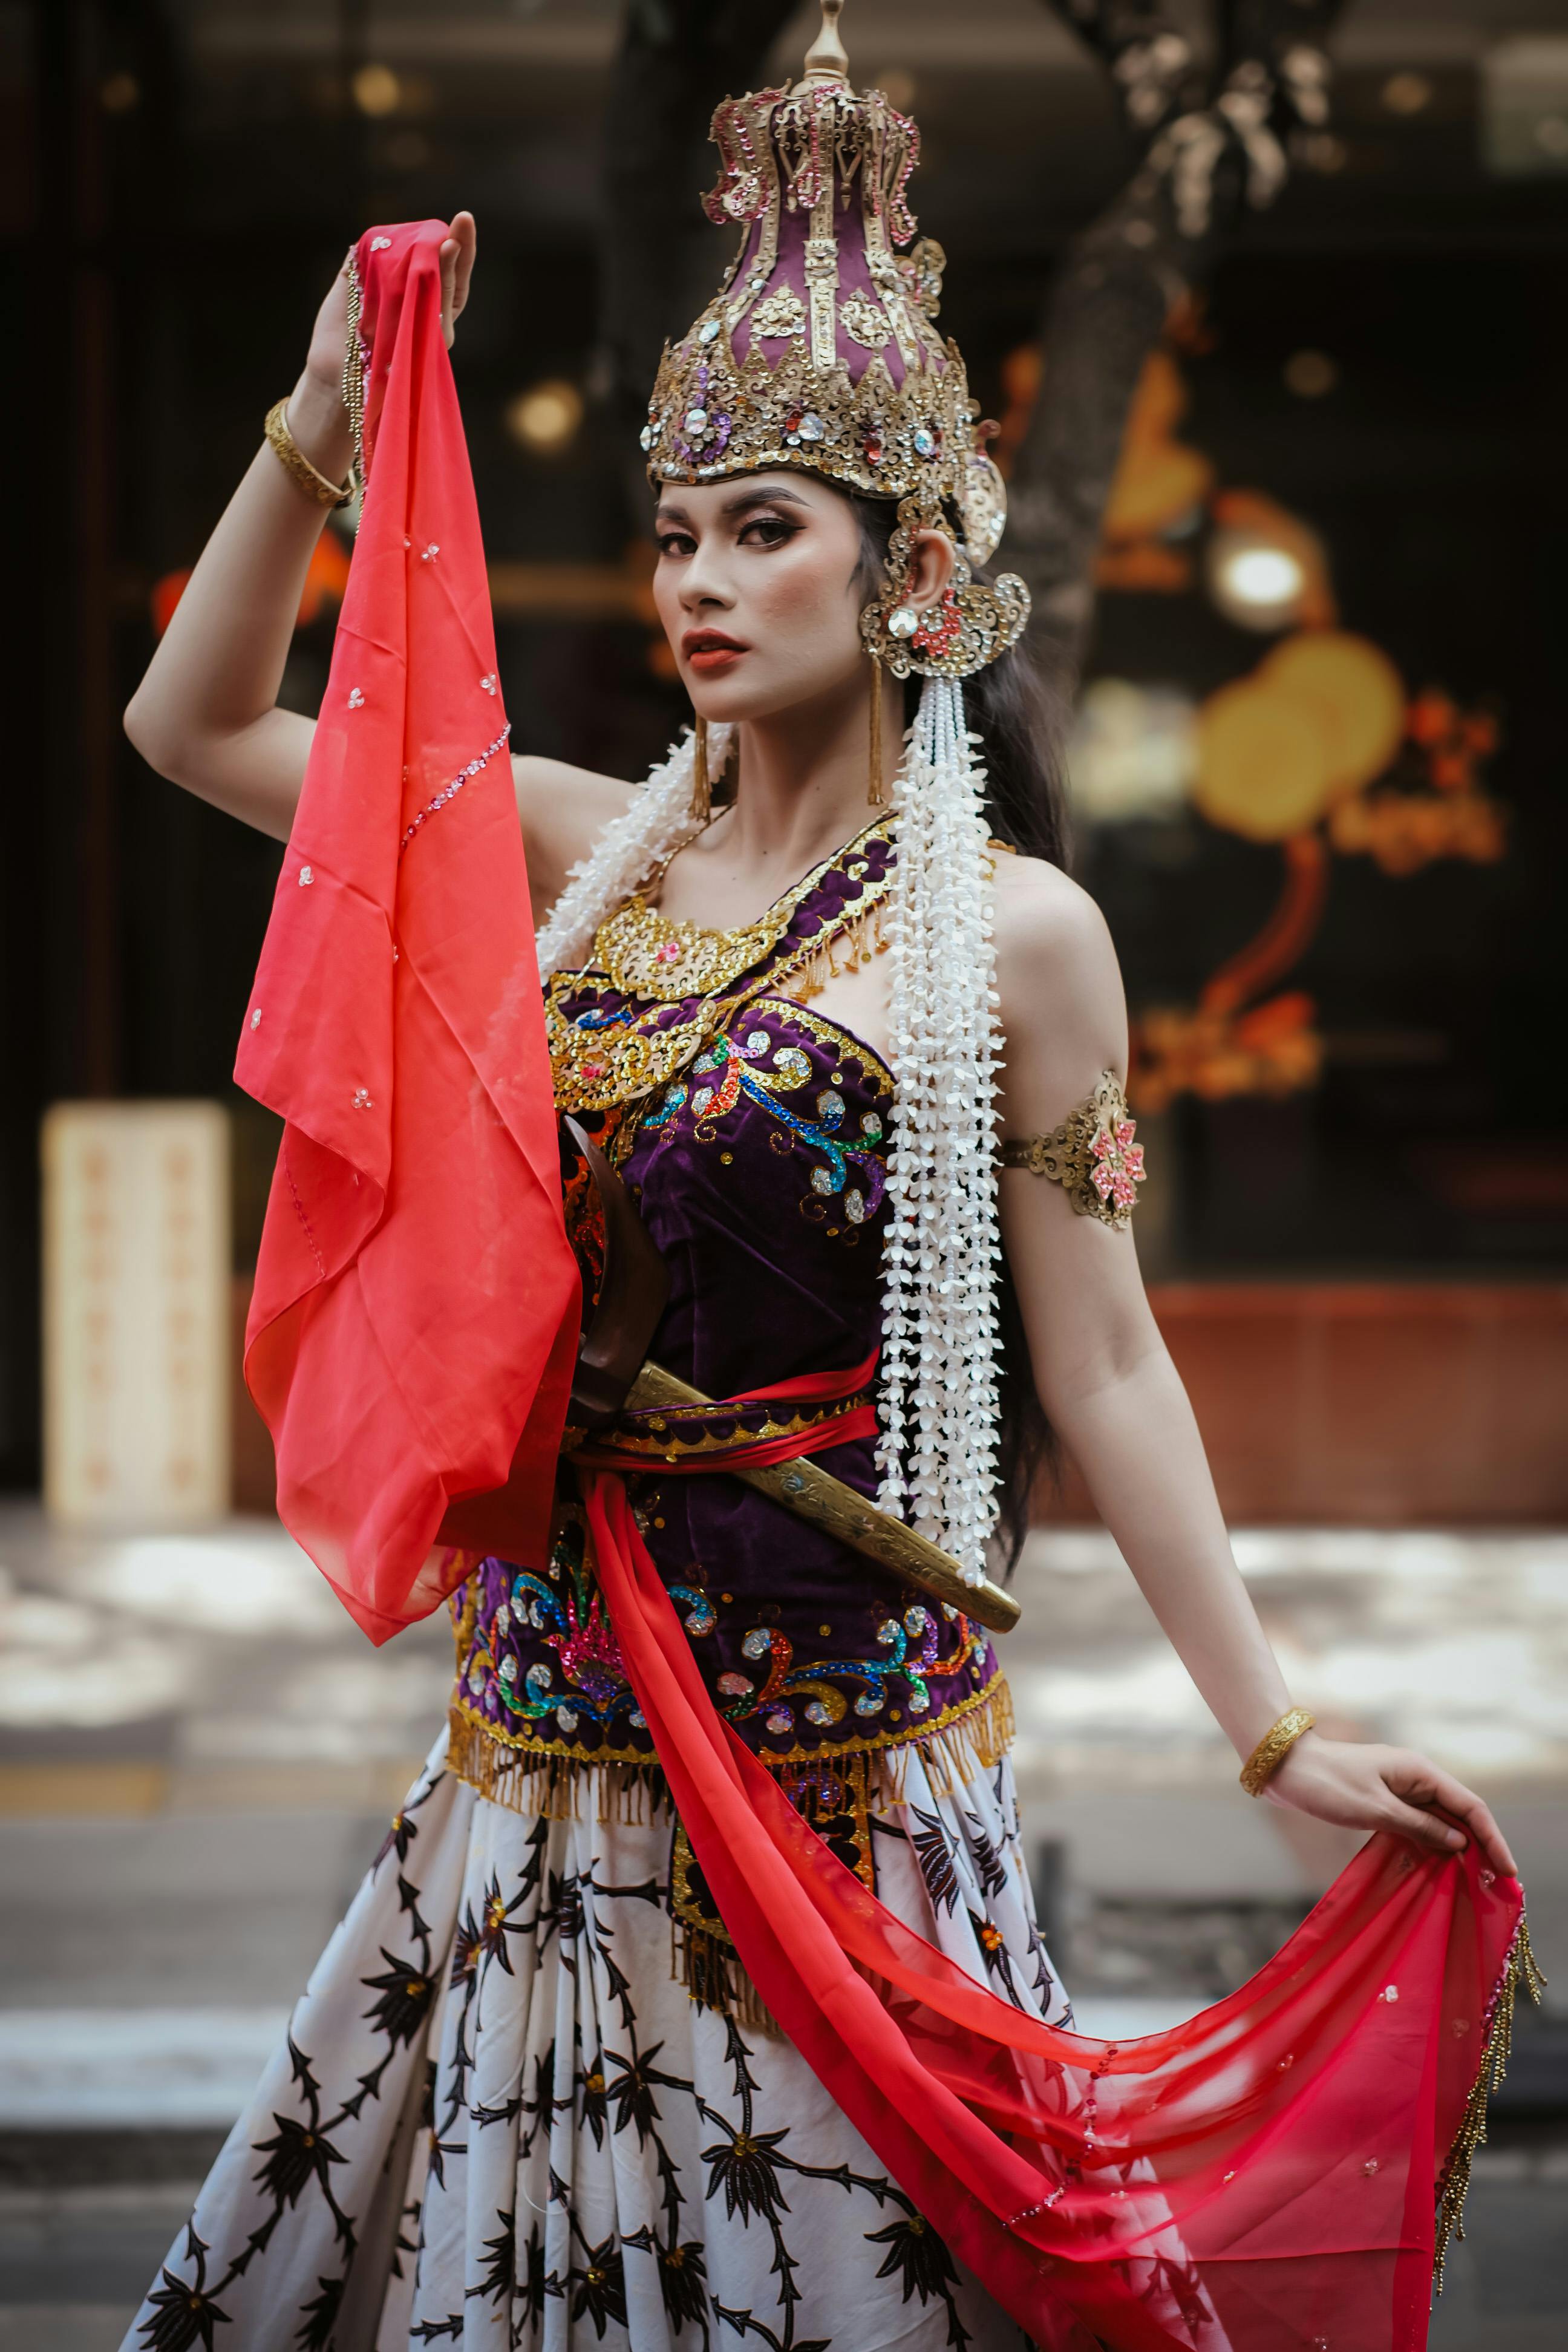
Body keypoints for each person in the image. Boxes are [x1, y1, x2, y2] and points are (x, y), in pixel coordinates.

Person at [122, 13, 1520, 2350]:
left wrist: (1272, 1731)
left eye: (765, 529)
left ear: (915, 584)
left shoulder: (1020, 938)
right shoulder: (586, 843)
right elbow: (195, 723)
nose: (699, 579)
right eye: (678, 534)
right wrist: (320, 423)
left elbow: (1109, 1354)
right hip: (545, 1758)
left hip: (849, 1786)